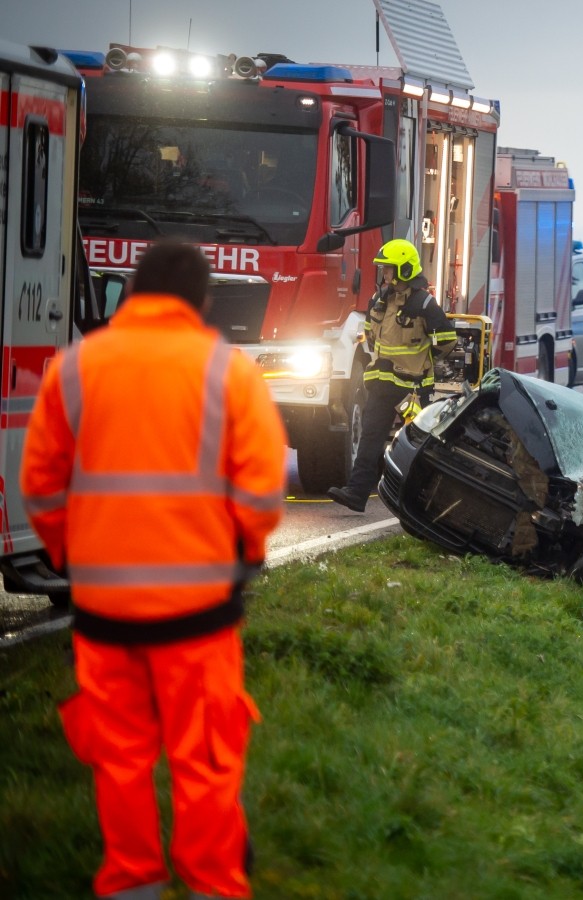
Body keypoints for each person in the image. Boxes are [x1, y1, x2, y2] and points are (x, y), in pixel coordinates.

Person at [21, 240, 286, 899]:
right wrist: (242, 551)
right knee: (205, 763)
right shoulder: (227, 371)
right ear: (201, 302)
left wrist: (71, 557)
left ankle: (133, 882)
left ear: (133, 293)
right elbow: (261, 490)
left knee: (120, 759)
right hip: (198, 613)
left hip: (103, 611)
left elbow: (42, 487)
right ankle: (210, 884)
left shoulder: (77, 368)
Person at [328, 238, 456, 512]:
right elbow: (371, 336)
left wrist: (424, 360)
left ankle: (423, 505)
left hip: (412, 388)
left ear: (404, 270)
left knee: (419, 444)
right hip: (384, 383)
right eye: (384, 269)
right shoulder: (379, 300)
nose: (384, 274)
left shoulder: (424, 304)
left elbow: (447, 340)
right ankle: (356, 493)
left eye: (388, 269)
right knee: (370, 437)